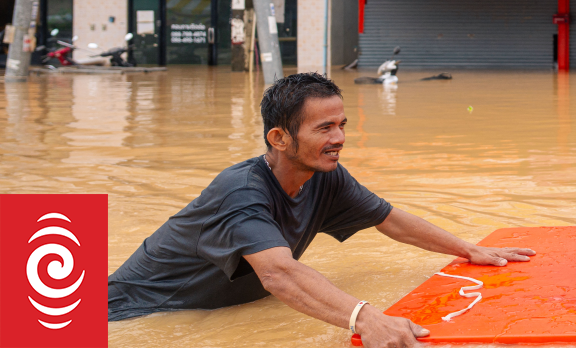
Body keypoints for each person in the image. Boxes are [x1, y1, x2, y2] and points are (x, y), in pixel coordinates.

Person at [108, 72, 534, 348]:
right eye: (324, 127)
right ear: (279, 138)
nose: (340, 138)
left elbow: (391, 221)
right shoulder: (240, 192)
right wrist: (364, 318)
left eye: (342, 124)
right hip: (126, 317)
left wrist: (467, 249)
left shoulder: (325, 176)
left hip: (198, 313)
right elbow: (278, 274)